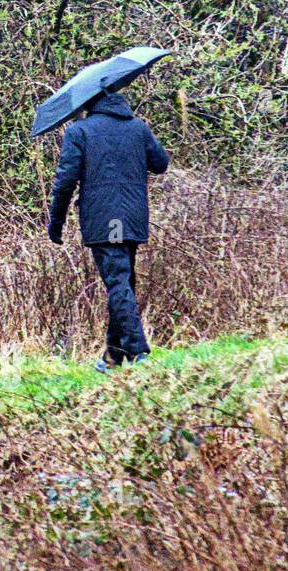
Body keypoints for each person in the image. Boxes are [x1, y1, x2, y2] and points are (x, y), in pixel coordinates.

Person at [46, 90, 170, 373]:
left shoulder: (79, 132)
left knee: (118, 283)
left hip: (104, 219)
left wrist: (56, 221)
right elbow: (161, 163)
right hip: (133, 217)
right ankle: (113, 358)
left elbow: (65, 181)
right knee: (123, 282)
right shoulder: (138, 127)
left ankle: (139, 352)